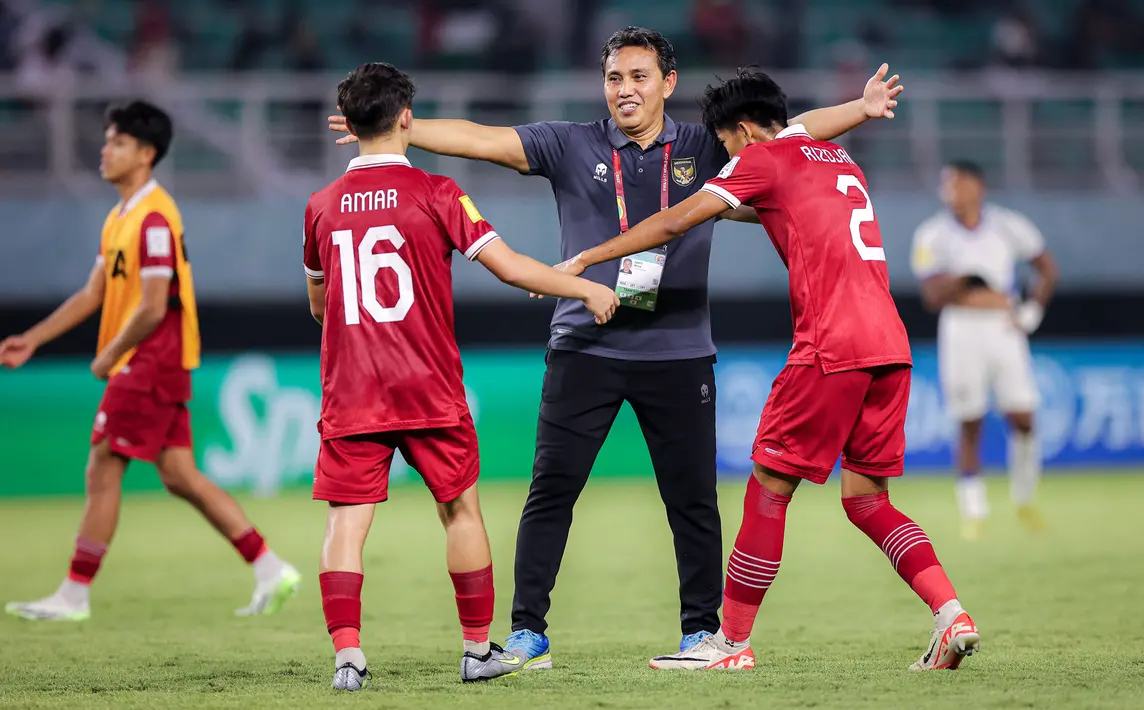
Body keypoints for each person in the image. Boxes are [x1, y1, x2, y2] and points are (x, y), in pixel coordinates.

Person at [327, 27, 904, 667]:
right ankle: (528, 633)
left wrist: (861, 107)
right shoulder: (569, 143)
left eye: (638, 77)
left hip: (679, 349)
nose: (624, 90)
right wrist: (389, 132)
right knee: (551, 492)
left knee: (692, 501)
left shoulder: (704, 145)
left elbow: (788, 133)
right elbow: (480, 139)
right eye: (614, 79)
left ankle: (699, 631)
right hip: (585, 346)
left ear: (668, 83)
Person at [558, 69, 979, 672]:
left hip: (831, 345)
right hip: (889, 343)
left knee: (768, 488)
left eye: (727, 145)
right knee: (865, 499)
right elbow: (786, 202)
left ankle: (728, 644)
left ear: (746, 130)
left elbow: (678, 220)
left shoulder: (762, 158)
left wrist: (590, 258)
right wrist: (859, 109)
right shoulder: (836, 160)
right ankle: (951, 615)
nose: (726, 158)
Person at [305, 62, 618, 690]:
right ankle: (477, 651)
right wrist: (582, 287)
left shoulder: (320, 207)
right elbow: (509, 268)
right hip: (428, 385)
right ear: (405, 120)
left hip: (354, 388)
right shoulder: (438, 192)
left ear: (352, 126)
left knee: (346, 522)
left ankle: (348, 658)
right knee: (461, 512)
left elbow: (321, 305)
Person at [2, 101, 300, 622]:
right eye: (107, 140)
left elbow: (154, 304)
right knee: (180, 474)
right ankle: (270, 567)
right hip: (151, 361)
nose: (105, 149)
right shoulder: (121, 216)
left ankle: (74, 594)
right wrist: (33, 338)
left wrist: (111, 354)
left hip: (151, 359)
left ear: (145, 153)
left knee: (102, 463)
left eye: (116, 141)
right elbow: (94, 292)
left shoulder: (156, 216)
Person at [911, 160, 1059, 540]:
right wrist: (964, 281)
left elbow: (1046, 268)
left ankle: (1024, 498)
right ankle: (973, 511)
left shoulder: (1008, 225)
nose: (950, 193)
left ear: (977, 186)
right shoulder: (933, 235)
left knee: (1024, 416)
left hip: (1003, 328)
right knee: (969, 421)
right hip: (960, 328)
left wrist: (1032, 311)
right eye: (946, 185)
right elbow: (930, 294)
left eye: (957, 183)